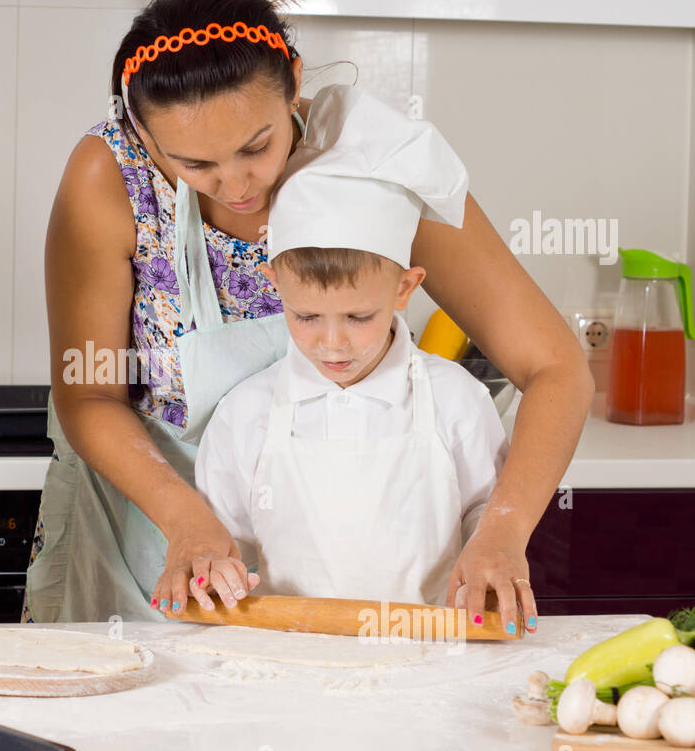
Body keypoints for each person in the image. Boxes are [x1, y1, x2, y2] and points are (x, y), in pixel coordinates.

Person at [24, 0, 591, 629]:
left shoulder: (373, 164)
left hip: (336, 556)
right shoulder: (110, 175)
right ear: (145, 136)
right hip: (149, 532)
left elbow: (555, 368)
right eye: (195, 165)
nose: (236, 185)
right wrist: (189, 520)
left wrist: (502, 531)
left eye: (256, 147)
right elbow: (88, 392)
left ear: (293, 81)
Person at [191, 82, 514, 626]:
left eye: (359, 317)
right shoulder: (245, 413)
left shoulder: (455, 400)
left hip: (428, 671)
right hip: (280, 671)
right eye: (307, 317)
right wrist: (212, 574)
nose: (331, 344)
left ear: (404, 289)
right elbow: (223, 545)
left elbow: (488, 515)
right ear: (274, 285)